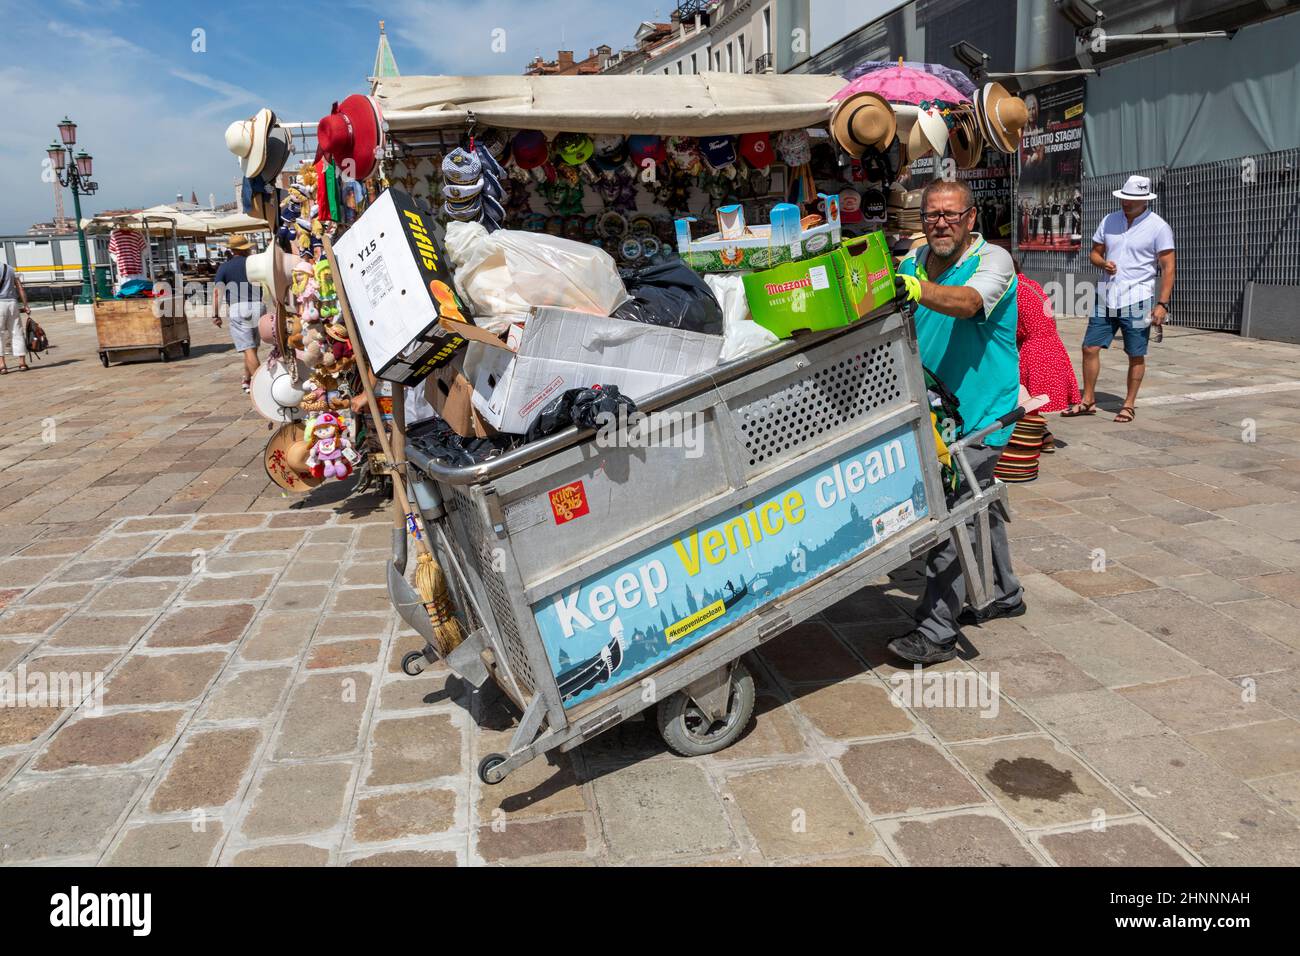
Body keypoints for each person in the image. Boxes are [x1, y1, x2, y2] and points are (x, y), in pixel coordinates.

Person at [888, 179, 1025, 665]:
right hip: (933, 412)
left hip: (982, 413)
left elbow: (969, 303)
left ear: (970, 219)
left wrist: (915, 288)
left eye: (950, 214)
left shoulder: (994, 261)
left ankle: (937, 631)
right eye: (930, 215)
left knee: (952, 518)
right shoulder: (912, 262)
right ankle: (1005, 593)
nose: (940, 223)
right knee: (977, 504)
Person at [1068, 174, 1175, 423]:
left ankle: (1128, 404)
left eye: (1131, 200)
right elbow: (1094, 253)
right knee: (1089, 347)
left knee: (1135, 352)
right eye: (1123, 198)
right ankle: (1088, 400)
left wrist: (1162, 304)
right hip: (1106, 295)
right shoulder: (1110, 220)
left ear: (1145, 200)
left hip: (1138, 298)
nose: (1125, 203)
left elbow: (1169, 267)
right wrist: (1103, 263)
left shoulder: (1159, 227)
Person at [994, 259, 1082, 482]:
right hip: (1052, 343)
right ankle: (1044, 436)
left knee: (1027, 396)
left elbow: (1014, 327)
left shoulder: (1013, 291)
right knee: (1034, 396)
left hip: (1034, 348)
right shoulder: (1031, 284)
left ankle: (1042, 436)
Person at [213, 234, 263, 393]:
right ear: (246, 248)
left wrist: (215, 313)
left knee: (248, 348)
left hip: (238, 308)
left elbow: (217, 292)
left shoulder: (224, 267)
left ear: (232, 250)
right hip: (258, 306)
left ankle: (260, 386)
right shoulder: (254, 264)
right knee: (252, 347)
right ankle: (247, 379)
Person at [0, 260, 31, 373]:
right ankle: (22, 363)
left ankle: (2, 365)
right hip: (13, 303)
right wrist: (26, 305)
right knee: (17, 332)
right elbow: (20, 288)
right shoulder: (9, 268)